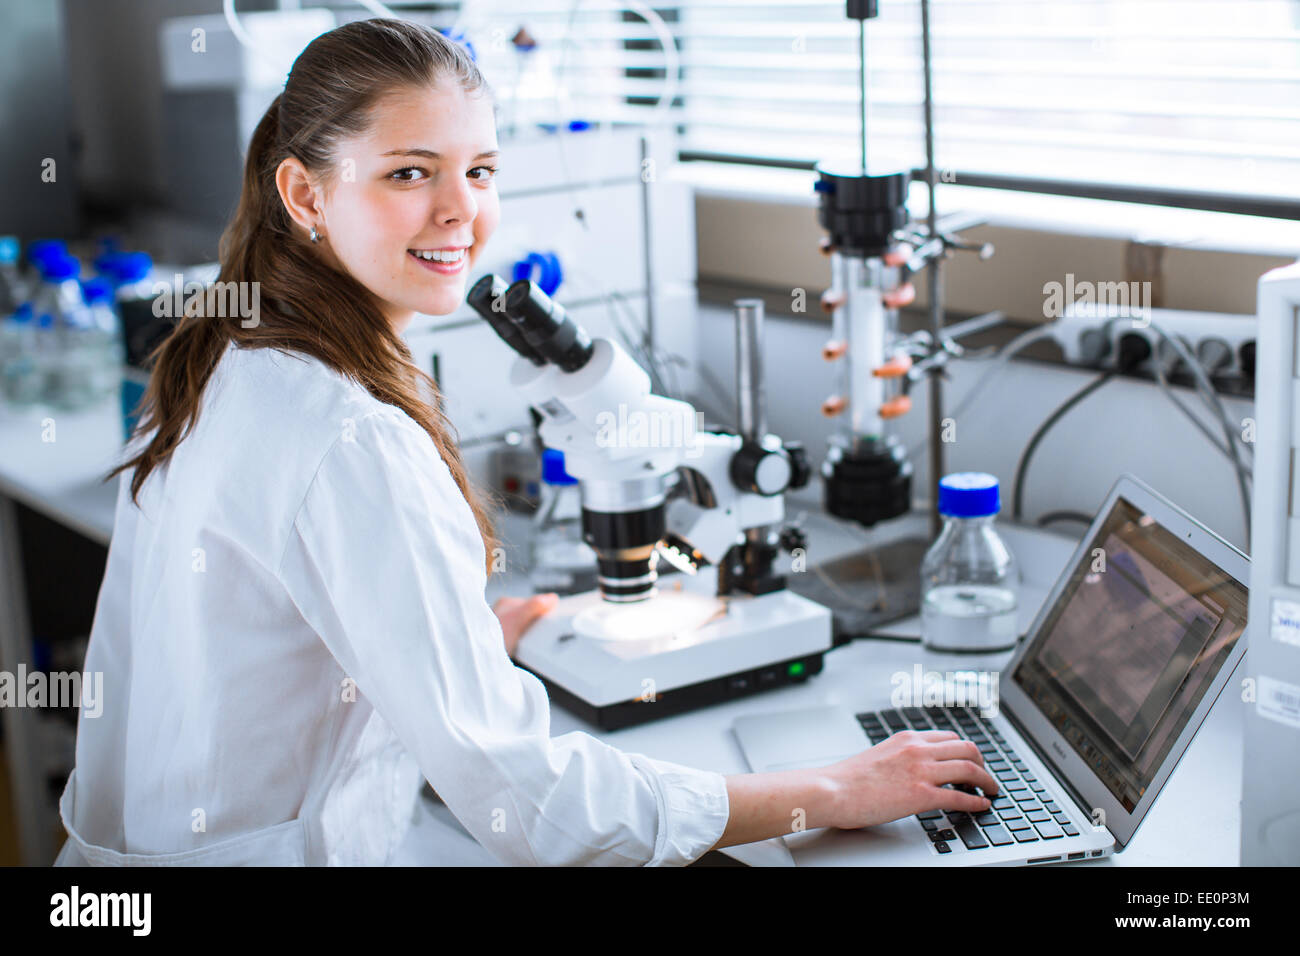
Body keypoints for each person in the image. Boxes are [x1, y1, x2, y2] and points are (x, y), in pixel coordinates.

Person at [54, 18, 995, 867]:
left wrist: (439, 642)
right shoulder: (350, 435)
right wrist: (828, 791)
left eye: (481, 170)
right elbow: (533, 809)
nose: (460, 211)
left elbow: (256, 651)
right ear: (305, 192)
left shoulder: (225, 353)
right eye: (409, 172)